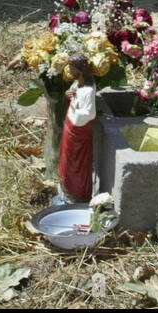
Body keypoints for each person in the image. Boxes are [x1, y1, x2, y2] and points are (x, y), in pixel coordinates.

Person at [59, 53, 97, 203]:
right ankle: (66, 192)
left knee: (77, 164)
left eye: (71, 68)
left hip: (79, 133)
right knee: (66, 160)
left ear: (80, 69)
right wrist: (68, 96)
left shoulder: (89, 90)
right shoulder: (77, 84)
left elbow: (90, 113)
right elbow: (72, 95)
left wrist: (74, 106)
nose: (69, 71)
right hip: (70, 128)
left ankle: (77, 196)